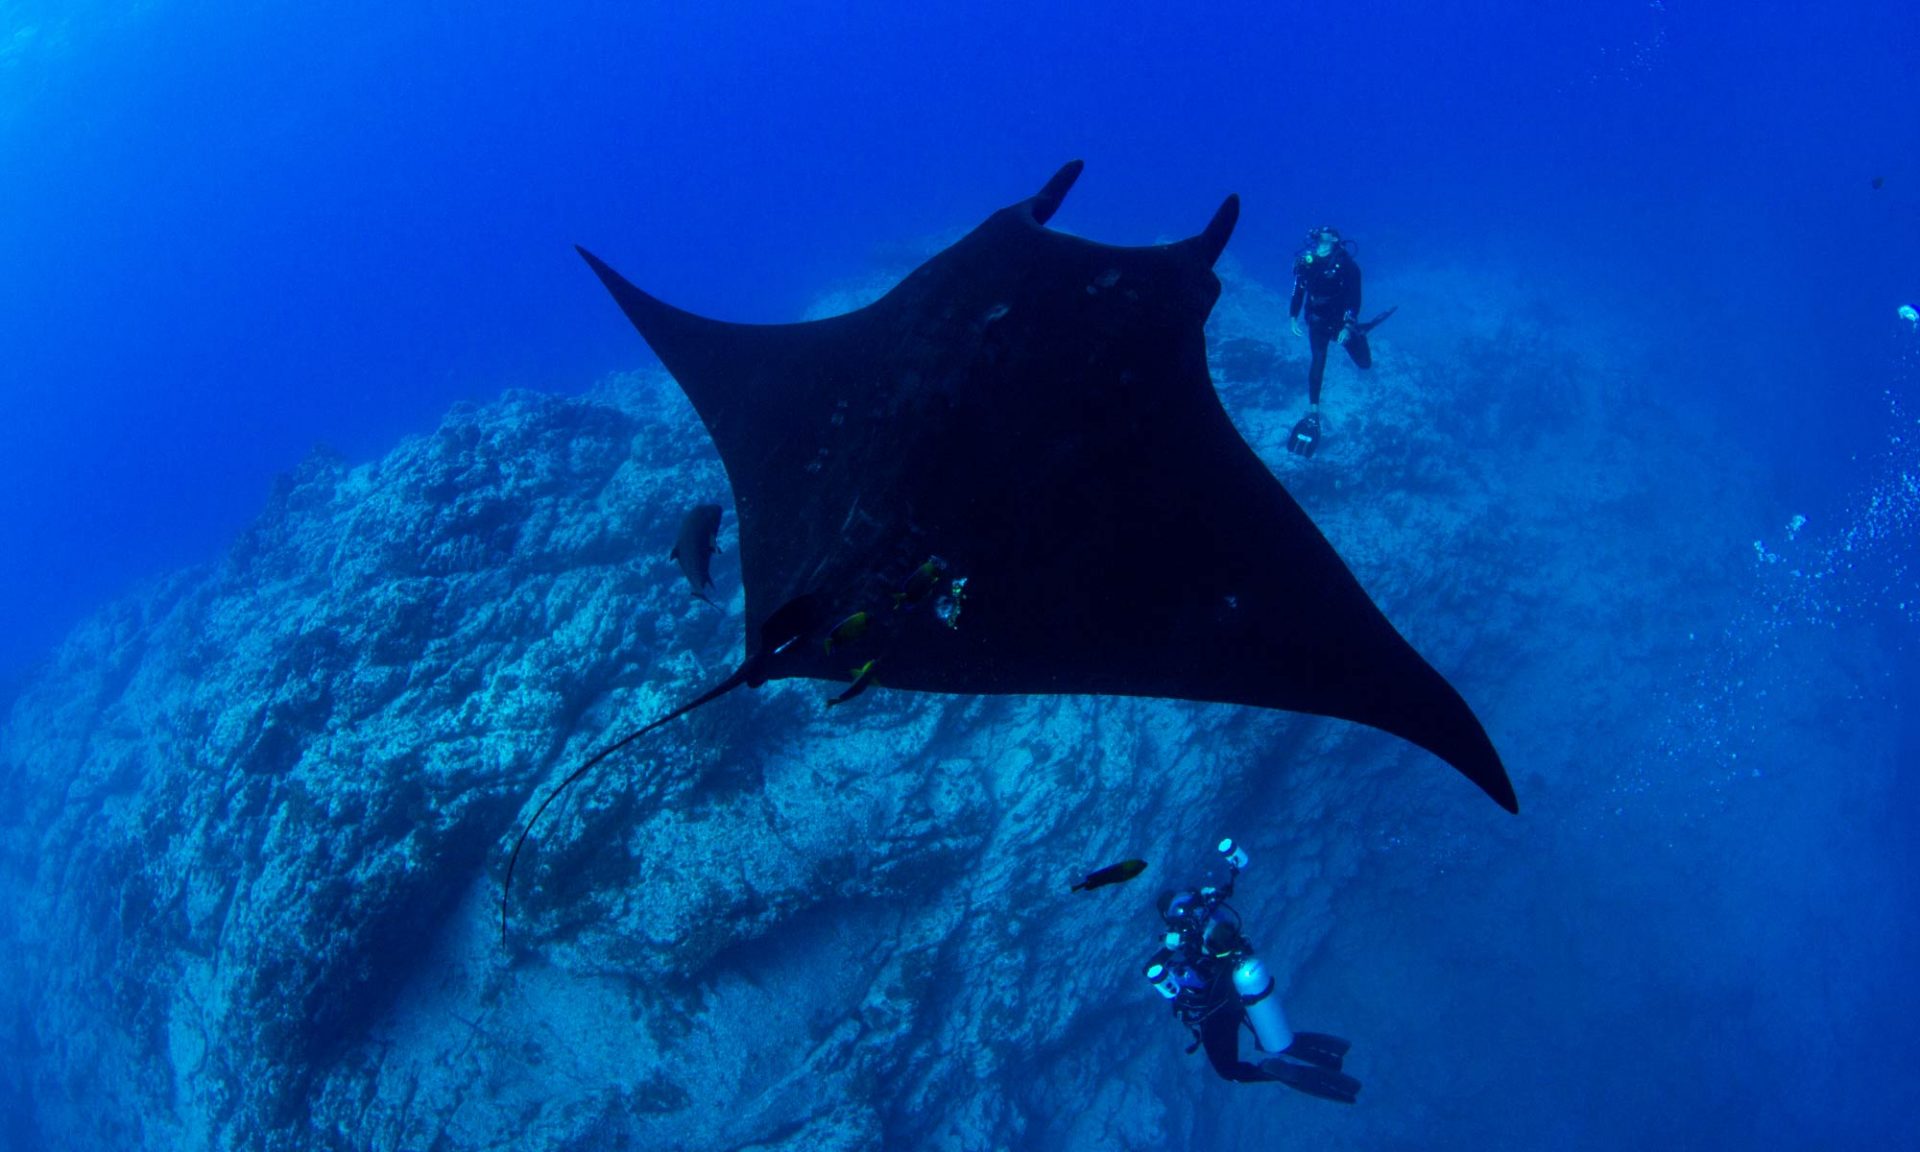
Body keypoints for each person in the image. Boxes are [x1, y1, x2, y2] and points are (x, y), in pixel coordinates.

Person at [1144, 842, 1362, 1102]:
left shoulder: (1181, 932)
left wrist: (1168, 951)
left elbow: (1153, 970)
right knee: (1267, 1031)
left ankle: (1274, 1072)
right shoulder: (1209, 909)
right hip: (1242, 983)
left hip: (1217, 1007)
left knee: (1228, 1070)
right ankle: (1299, 1048)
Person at [1286, 226, 1373, 459]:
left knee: (1364, 363)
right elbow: (1298, 291)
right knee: (1318, 359)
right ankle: (1313, 413)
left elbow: (1355, 299)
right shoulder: (1305, 262)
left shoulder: (1347, 266)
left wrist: (1347, 325)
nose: (1319, 235)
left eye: (1326, 232)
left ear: (1335, 239)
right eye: (1317, 232)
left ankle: (1359, 333)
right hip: (1316, 320)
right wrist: (1293, 315)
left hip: (1339, 322)